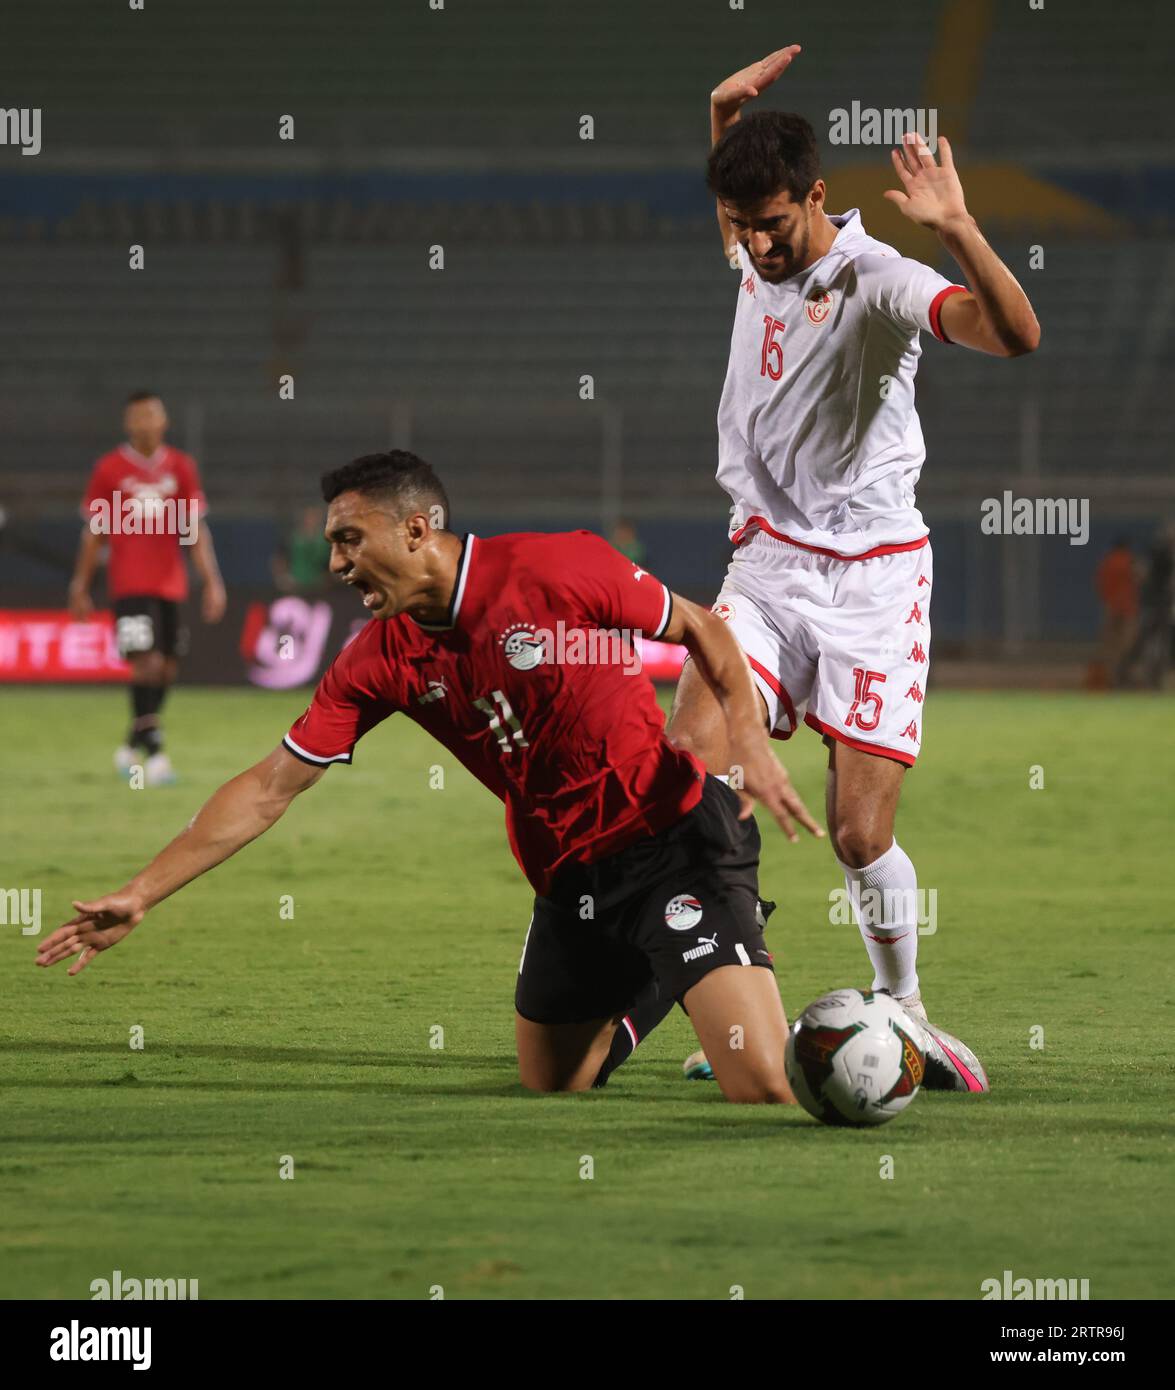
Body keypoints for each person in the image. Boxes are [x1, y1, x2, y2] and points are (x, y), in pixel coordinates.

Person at [38, 451, 827, 1105]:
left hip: (672, 844)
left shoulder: (558, 566)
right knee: (554, 1084)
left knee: (760, 1086)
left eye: (350, 540)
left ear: (418, 529)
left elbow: (701, 627)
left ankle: (720, 956)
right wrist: (142, 891)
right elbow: (269, 787)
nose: (337, 563)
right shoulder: (377, 658)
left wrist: (751, 746)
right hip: (564, 872)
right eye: (333, 545)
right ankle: (673, 975)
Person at [663, 45, 1039, 1090]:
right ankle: (735, 995)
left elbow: (1014, 334)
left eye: (772, 225)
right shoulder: (753, 248)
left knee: (856, 829)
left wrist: (958, 228)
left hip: (874, 578)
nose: (754, 249)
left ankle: (906, 1009)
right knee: (691, 770)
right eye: (738, 228)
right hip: (768, 568)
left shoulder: (879, 280)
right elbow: (741, 200)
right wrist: (719, 115)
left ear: (816, 199)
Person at [69, 391, 226, 784]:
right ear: (127, 423)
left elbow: (194, 530)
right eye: (137, 416)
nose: (144, 422)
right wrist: (80, 584)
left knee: (168, 667)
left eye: (151, 414)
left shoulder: (181, 467)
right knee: (147, 662)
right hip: (129, 584)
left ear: (164, 420)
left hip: (171, 585)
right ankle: (155, 757)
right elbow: (94, 534)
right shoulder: (109, 469)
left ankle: (130, 745)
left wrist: (211, 581)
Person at [1094, 538, 1139, 689]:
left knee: (1110, 646)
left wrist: (1107, 599)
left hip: (1111, 607)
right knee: (1126, 645)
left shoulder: (1107, 562)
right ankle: (1122, 676)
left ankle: (1109, 678)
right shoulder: (1129, 561)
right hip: (1127, 608)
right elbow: (1138, 580)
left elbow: (1100, 584)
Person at [272, 504, 332, 593]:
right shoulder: (292, 538)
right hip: (295, 585)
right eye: (309, 517)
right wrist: (281, 578)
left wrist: (329, 578)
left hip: (319, 586)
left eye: (315, 517)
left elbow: (331, 562)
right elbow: (280, 559)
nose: (312, 520)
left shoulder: (326, 541)